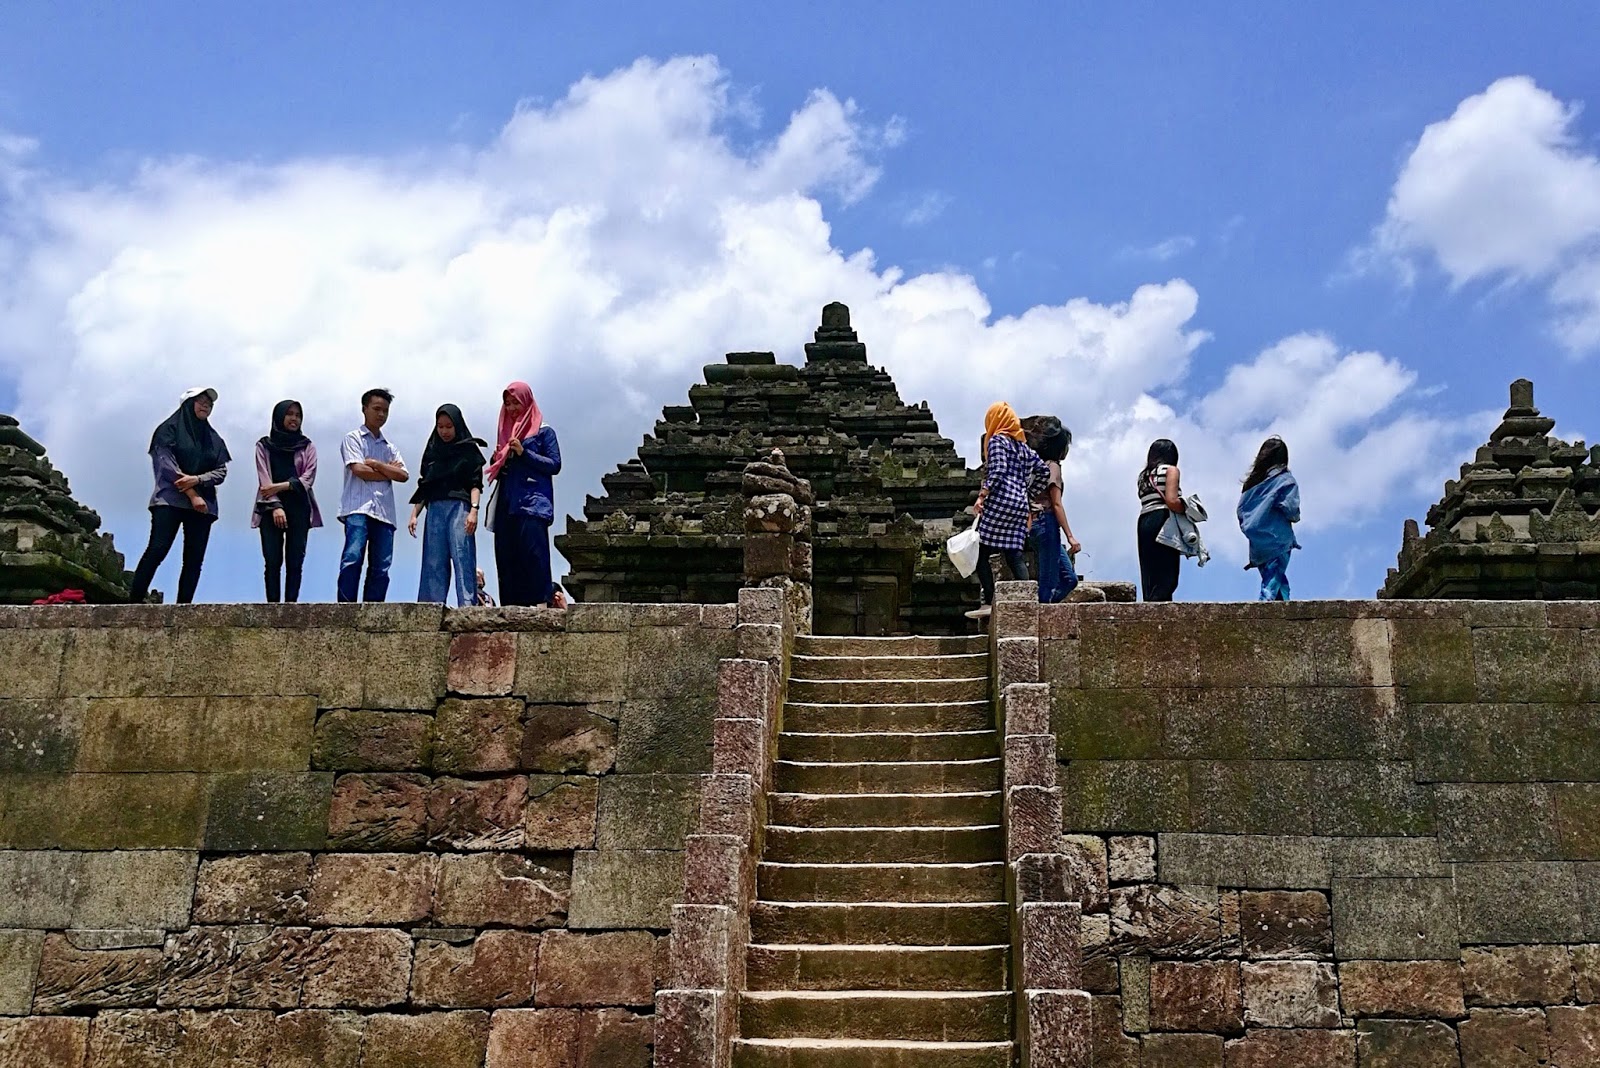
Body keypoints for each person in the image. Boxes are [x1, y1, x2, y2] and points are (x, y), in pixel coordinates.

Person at [128, 387, 230, 604]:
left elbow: (221, 471)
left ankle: (184, 607)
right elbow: (167, 467)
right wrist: (193, 494)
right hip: (170, 500)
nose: (205, 406)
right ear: (187, 403)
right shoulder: (168, 430)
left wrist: (198, 480)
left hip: (204, 506)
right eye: (200, 401)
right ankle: (133, 602)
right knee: (158, 548)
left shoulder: (213, 439)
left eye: (209, 403)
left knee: (194, 560)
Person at [966, 401, 1049, 620]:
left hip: (1000, 503)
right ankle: (1027, 600)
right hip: (1019, 506)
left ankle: (989, 600)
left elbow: (998, 470)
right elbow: (1043, 472)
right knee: (1014, 554)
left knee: (980, 552)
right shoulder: (1023, 447)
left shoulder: (997, 441)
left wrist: (982, 495)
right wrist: (1029, 494)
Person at [487, 381, 561, 607]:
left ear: (526, 401)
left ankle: (540, 603)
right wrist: (497, 460)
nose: (511, 408)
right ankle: (510, 607)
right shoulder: (505, 434)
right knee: (507, 555)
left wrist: (523, 452)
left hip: (532, 503)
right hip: (507, 503)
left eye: (515, 403)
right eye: (507, 404)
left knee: (534, 554)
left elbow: (554, 464)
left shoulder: (543, 431)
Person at [407, 404, 487, 606]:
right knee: (433, 560)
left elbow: (475, 484)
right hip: (434, 509)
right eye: (440, 426)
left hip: (460, 508)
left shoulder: (468, 450)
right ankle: (430, 606)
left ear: (457, 425)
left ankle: (467, 605)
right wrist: (415, 513)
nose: (444, 431)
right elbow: (425, 484)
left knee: (463, 556)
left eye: (448, 426)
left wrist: (474, 511)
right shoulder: (433, 450)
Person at [337, 389, 409, 602]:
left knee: (381, 566)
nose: (381, 415)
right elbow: (358, 470)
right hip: (358, 508)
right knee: (352, 558)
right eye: (377, 409)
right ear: (364, 409)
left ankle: (373, 610)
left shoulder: (390, 447)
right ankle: (346, 608)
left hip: (384, 513)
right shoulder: (353, 438)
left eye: (385, 411)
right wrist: (387, 472)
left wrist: (377, 465)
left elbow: (403, 475)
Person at [253, 400, 321, 603]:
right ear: (279, 416)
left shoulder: (307, 446)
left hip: (299, 507)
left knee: (295, 561)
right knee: (272, 560)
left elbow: (307, 479)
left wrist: (279, 486)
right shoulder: (263, 445)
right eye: (290, 414)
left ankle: (291, 606)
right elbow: (264, 480)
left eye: (298, 415)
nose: (294, 419)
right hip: (269, 507)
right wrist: (276, 505)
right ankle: (272, 606)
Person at [1022, 415, 1082, 604]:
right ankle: (1039, 619)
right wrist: (1070, 536)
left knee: (1069, 579)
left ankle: (1045, 611)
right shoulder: (1053, 467)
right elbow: (1056, 504)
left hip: (1035, 524)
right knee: (1047, 583)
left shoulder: (1033, 465)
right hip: (1046, 522)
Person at [1237, 436, 1301, 601]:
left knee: (1276, 577)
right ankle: (1262, 615)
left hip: (1258, 544)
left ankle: (1285, 611)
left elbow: (1241, 512)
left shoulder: (1251, 484)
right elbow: (1291, 510)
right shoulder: (1285, 481)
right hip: (1277, 539)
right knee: (1271, 582)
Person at [1137, 438, 1186, 602]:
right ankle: (1162, 607)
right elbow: (1172, 501)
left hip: (1144, 519)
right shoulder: (1171, 471)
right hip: (1162, 519)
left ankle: (1150, 603)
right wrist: (1187, 508)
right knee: (1167, 570)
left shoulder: (1143, 476)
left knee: (1150, 569)